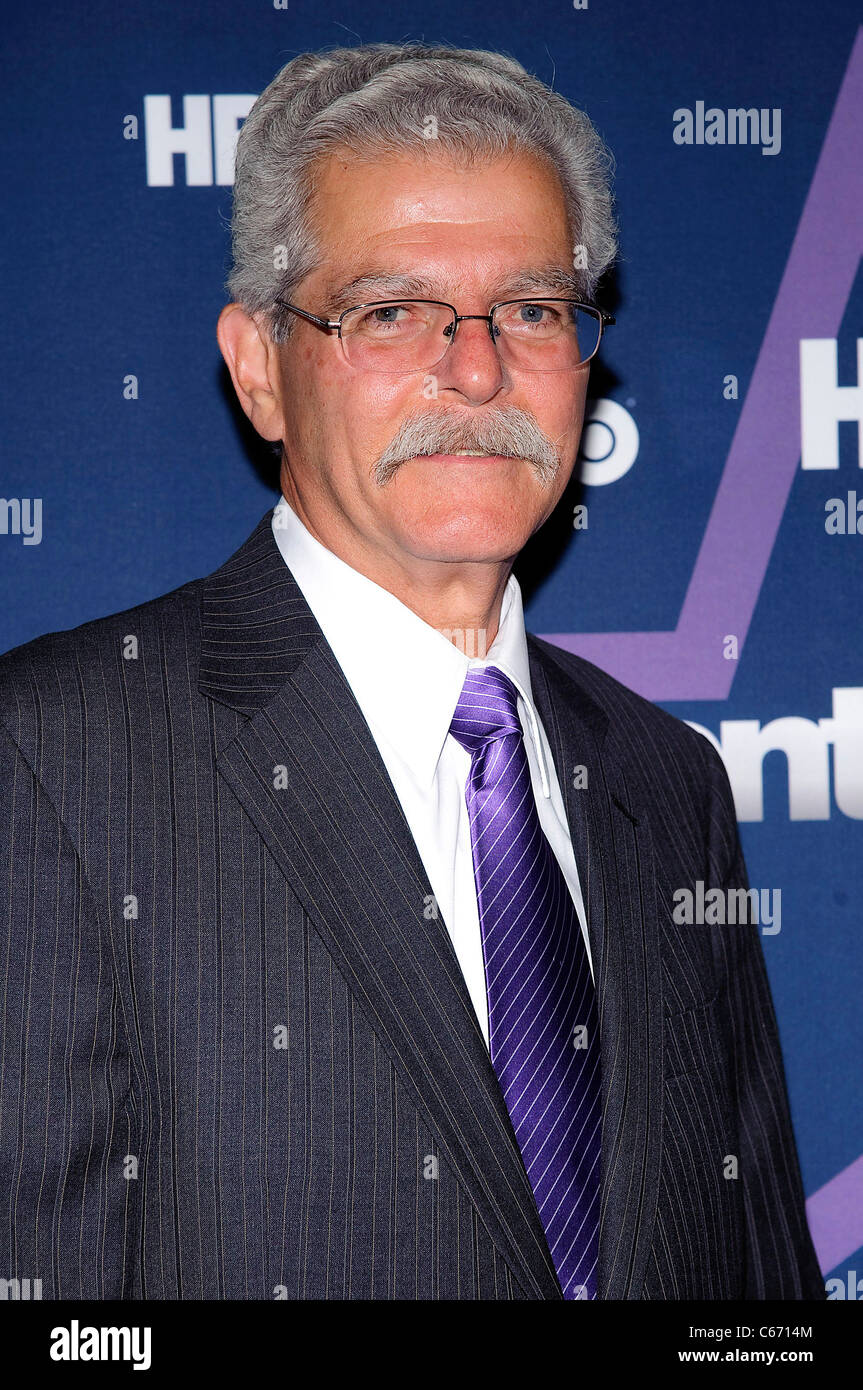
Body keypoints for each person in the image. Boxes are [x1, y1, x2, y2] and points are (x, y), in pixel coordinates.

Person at [0, 41, 823, 1300]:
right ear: (260, 367)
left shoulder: (673, 784)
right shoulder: (54, 757)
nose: (479, 369)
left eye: (533, 310)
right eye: (391, 312)